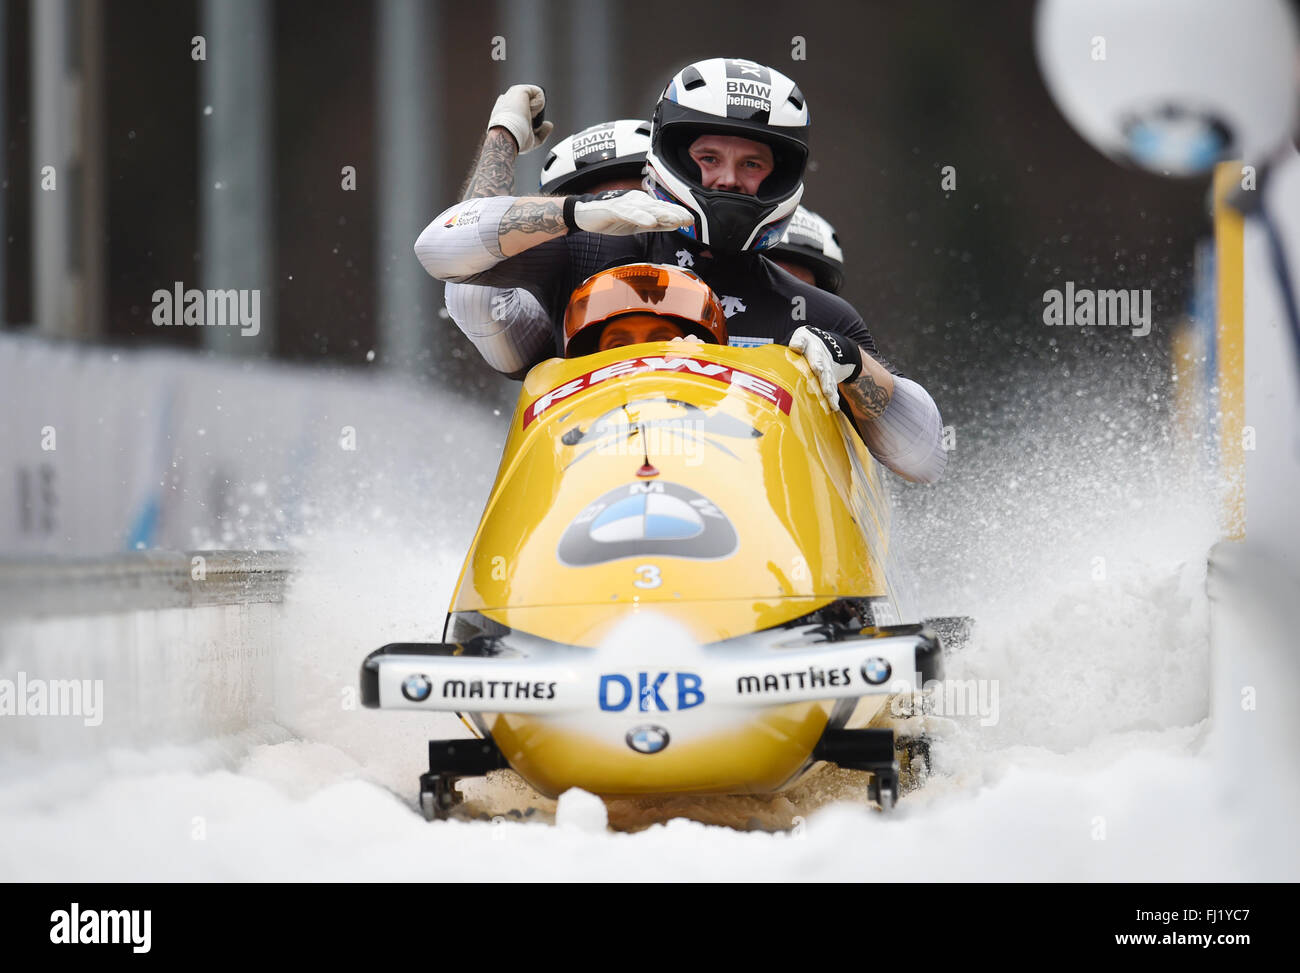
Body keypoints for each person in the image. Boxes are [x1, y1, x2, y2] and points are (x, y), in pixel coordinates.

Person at [417, 58, 945, 483]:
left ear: (778, 176)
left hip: (764, 516)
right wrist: (567, 207)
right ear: (673, 157)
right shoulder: (583, 256)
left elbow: (923, 458)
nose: (728, 181)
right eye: (709, 158)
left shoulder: (815, 313)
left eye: (752, 164)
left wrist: (854, 367)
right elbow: (447, 257)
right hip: (591, 492)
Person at [444, 107, 652, 377]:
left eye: (631, 201)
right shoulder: (545, 310)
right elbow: (473, 294)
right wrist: (502, 135)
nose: (617, 221)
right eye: (594, 214)